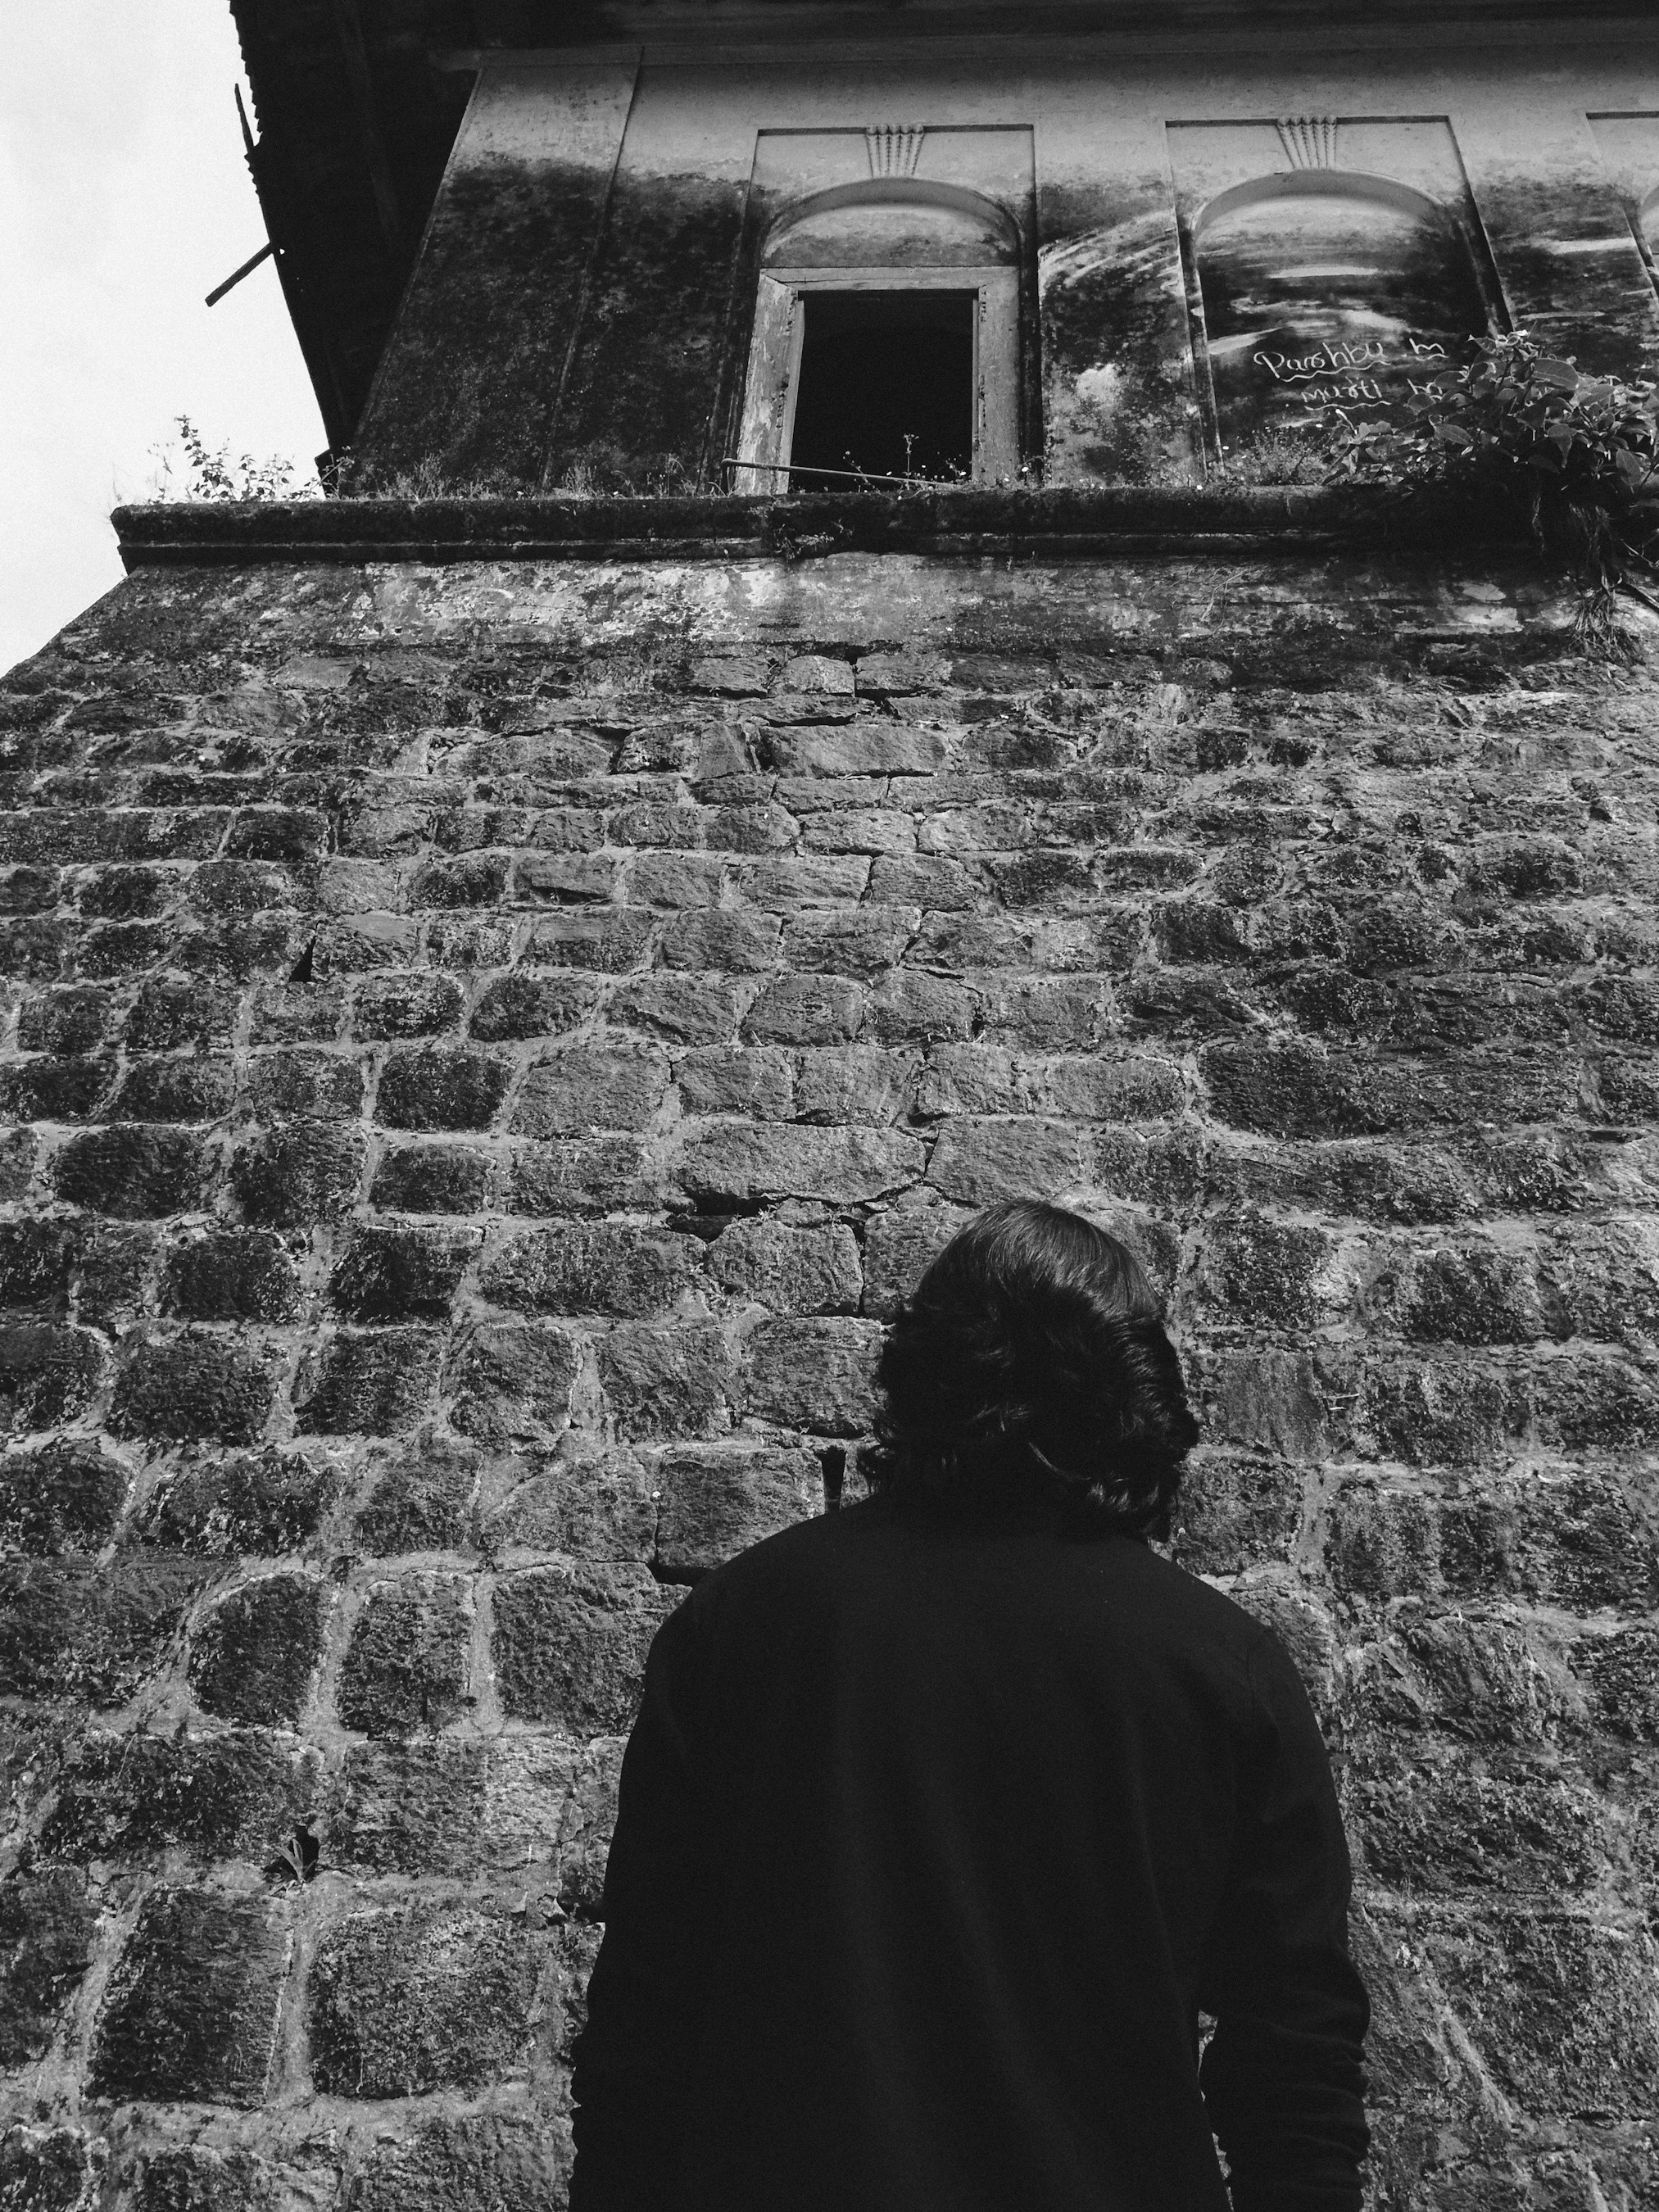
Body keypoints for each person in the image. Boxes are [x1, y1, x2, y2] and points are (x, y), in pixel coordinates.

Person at [569, 1199, 1369, 2212]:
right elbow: (1293, 2060)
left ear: (927, 1373)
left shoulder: (741, 1624)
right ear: (1131, 1391)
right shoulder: (1224, 1670)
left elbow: (648, 2019)